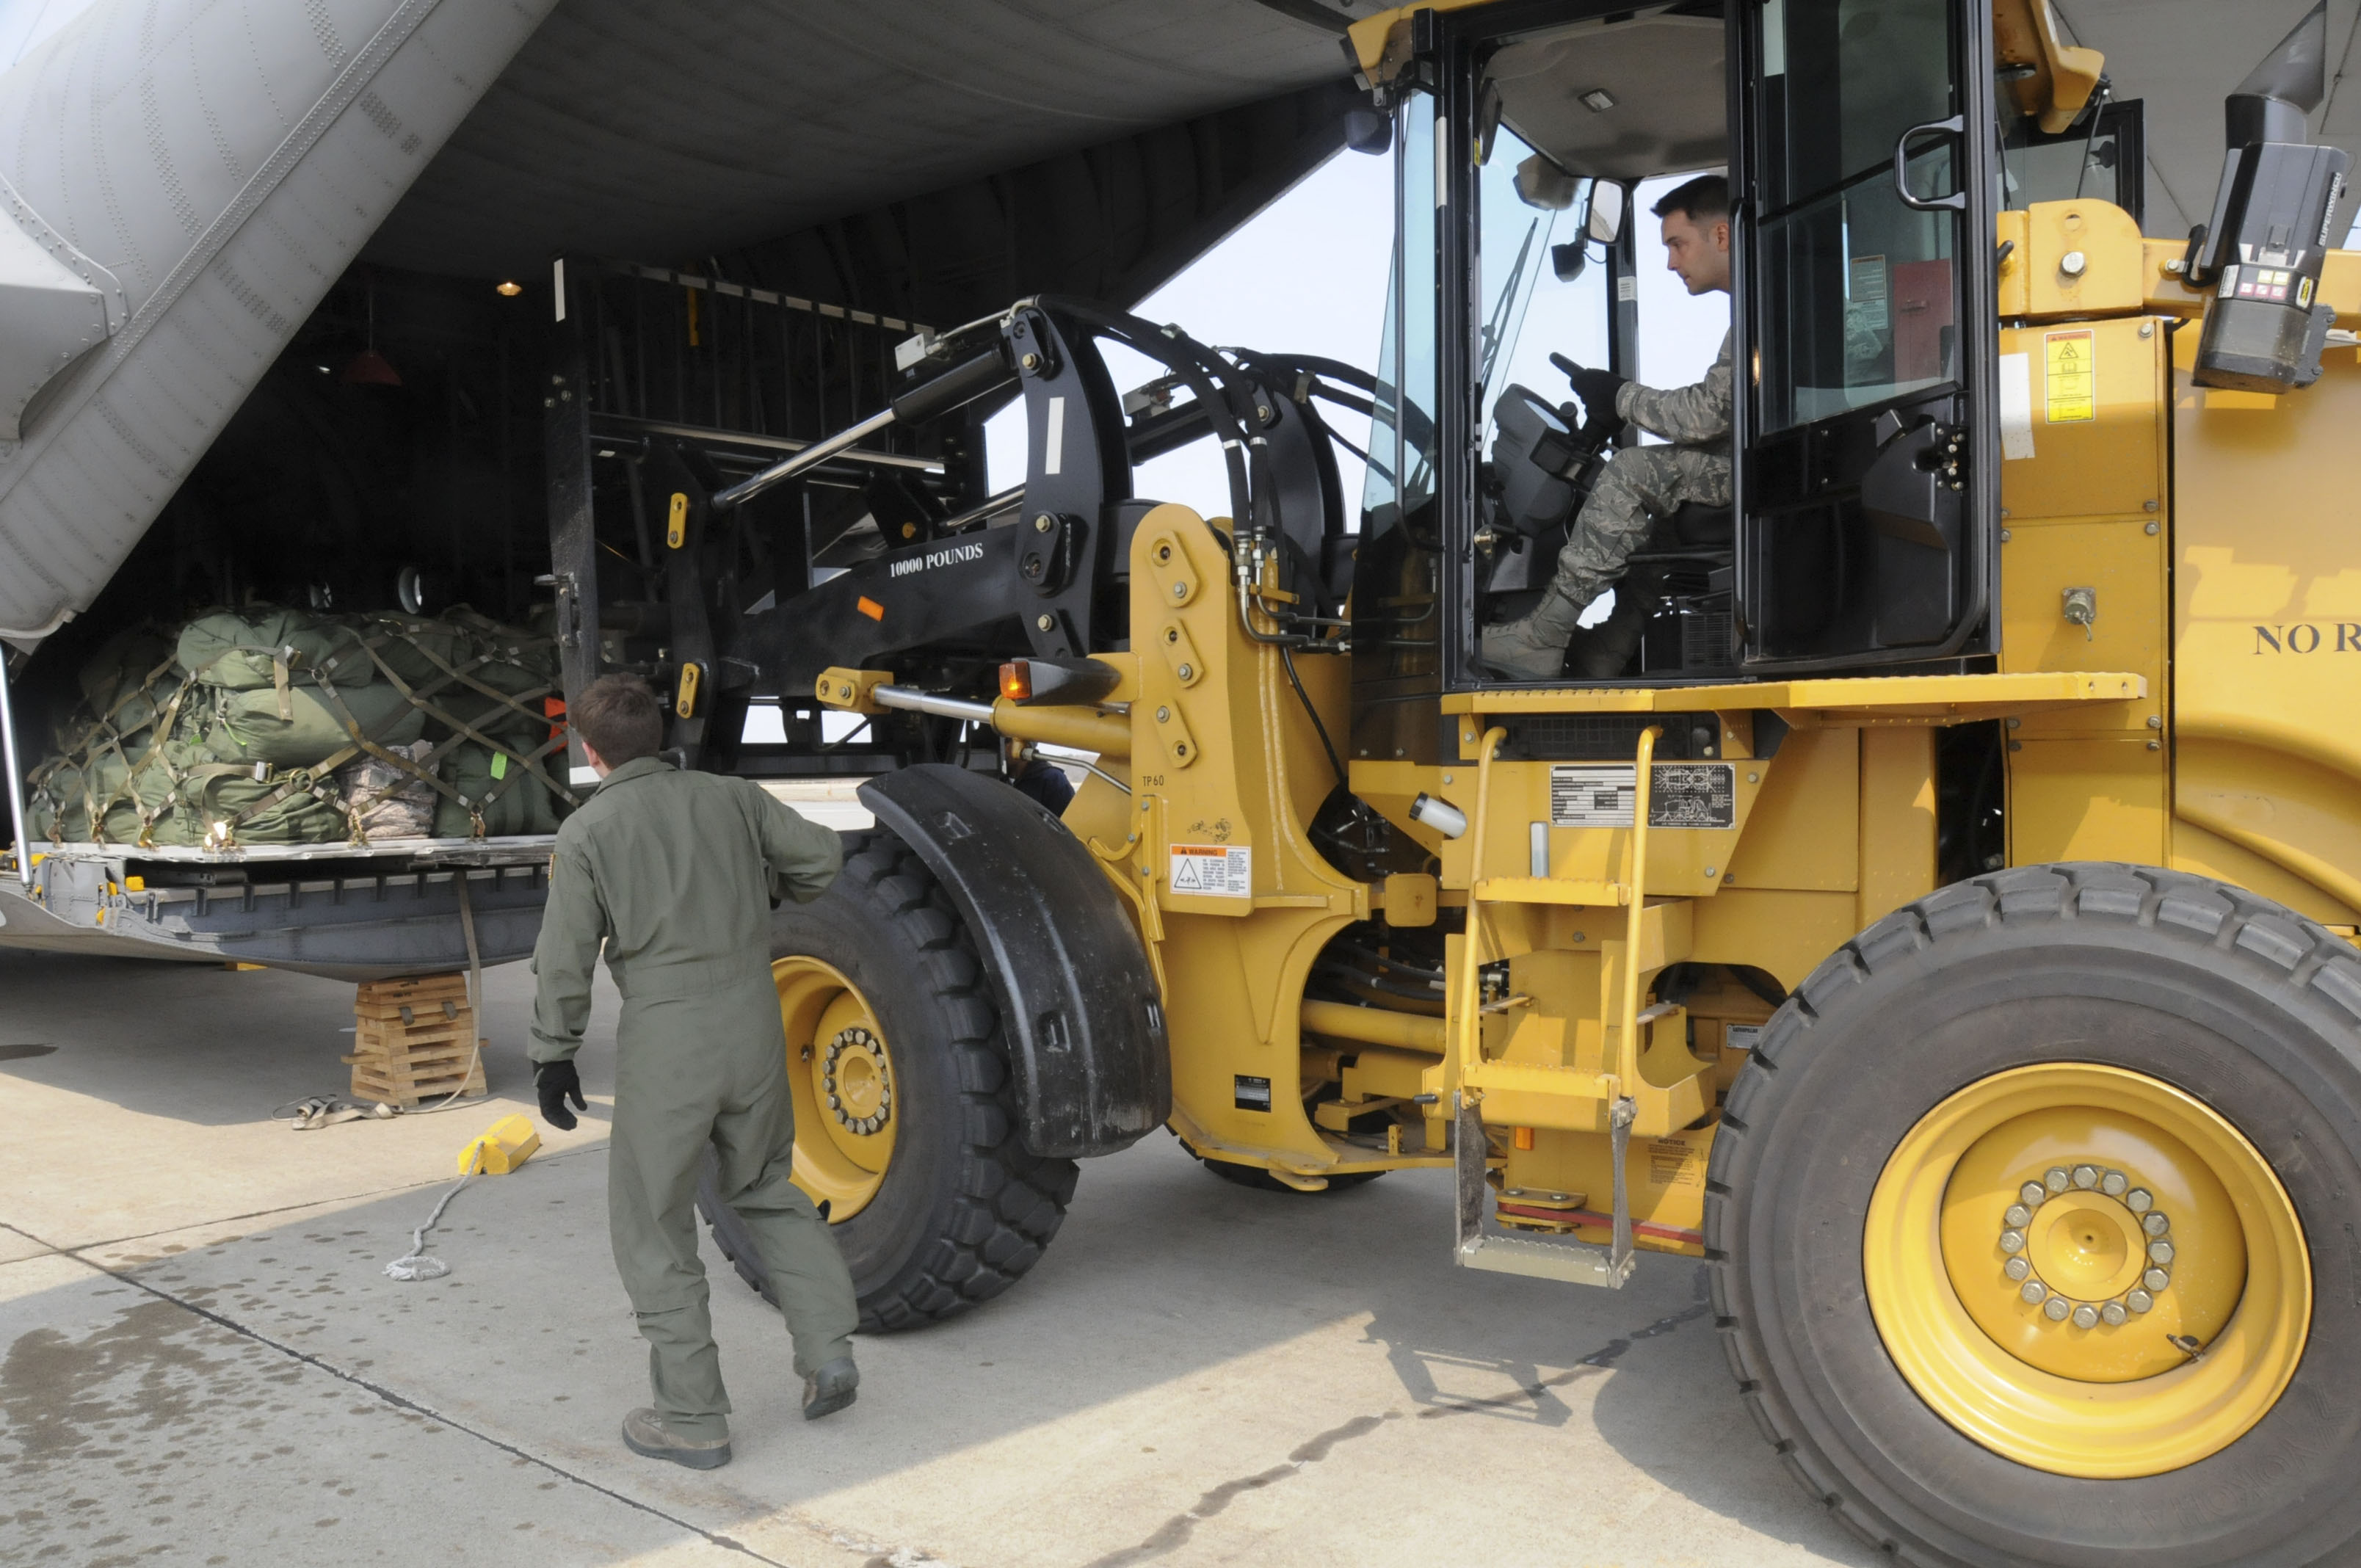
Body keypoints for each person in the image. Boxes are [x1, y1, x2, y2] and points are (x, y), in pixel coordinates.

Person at [529, 675, 857, 1471]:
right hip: (751, 1020)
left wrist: (554, 1053)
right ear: (660, 735)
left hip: (667, 1037)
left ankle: (692, 1416)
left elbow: (564, 958)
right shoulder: (732, 800)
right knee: (767, 1189)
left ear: (590, 749)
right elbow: (822, 857)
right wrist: (764, 891)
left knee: (653, 1220)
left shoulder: (588, 832)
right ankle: (827, 1353)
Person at [1482, 173, 1734, 680]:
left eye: (1677, 244)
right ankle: (1611, 648)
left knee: (1630, 470)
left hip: (1755, 475)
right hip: (1757, 467)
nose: (1670, 261)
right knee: (1656, 509)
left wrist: (1619, 396)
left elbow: (1708, 415)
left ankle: (1543, 635)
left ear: (1721, 236)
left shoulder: (1763, 306)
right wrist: (1618, 397)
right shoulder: (1759, 304)